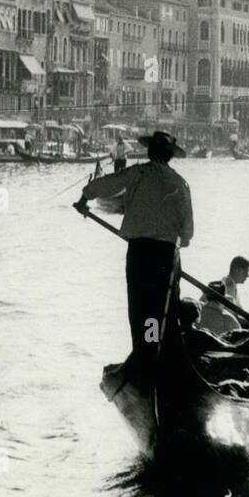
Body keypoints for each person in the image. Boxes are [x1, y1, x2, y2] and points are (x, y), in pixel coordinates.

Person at [76, 130, 192, 378]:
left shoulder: (138, 173)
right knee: (162, 308)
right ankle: (162, 356)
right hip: (166, 257)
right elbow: (188, 233)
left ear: (150, 152)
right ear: (170, 157)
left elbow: (102, 186)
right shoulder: (180, 184)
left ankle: (146, 353)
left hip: (140, 254)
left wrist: (83, 198)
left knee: (142, 306)